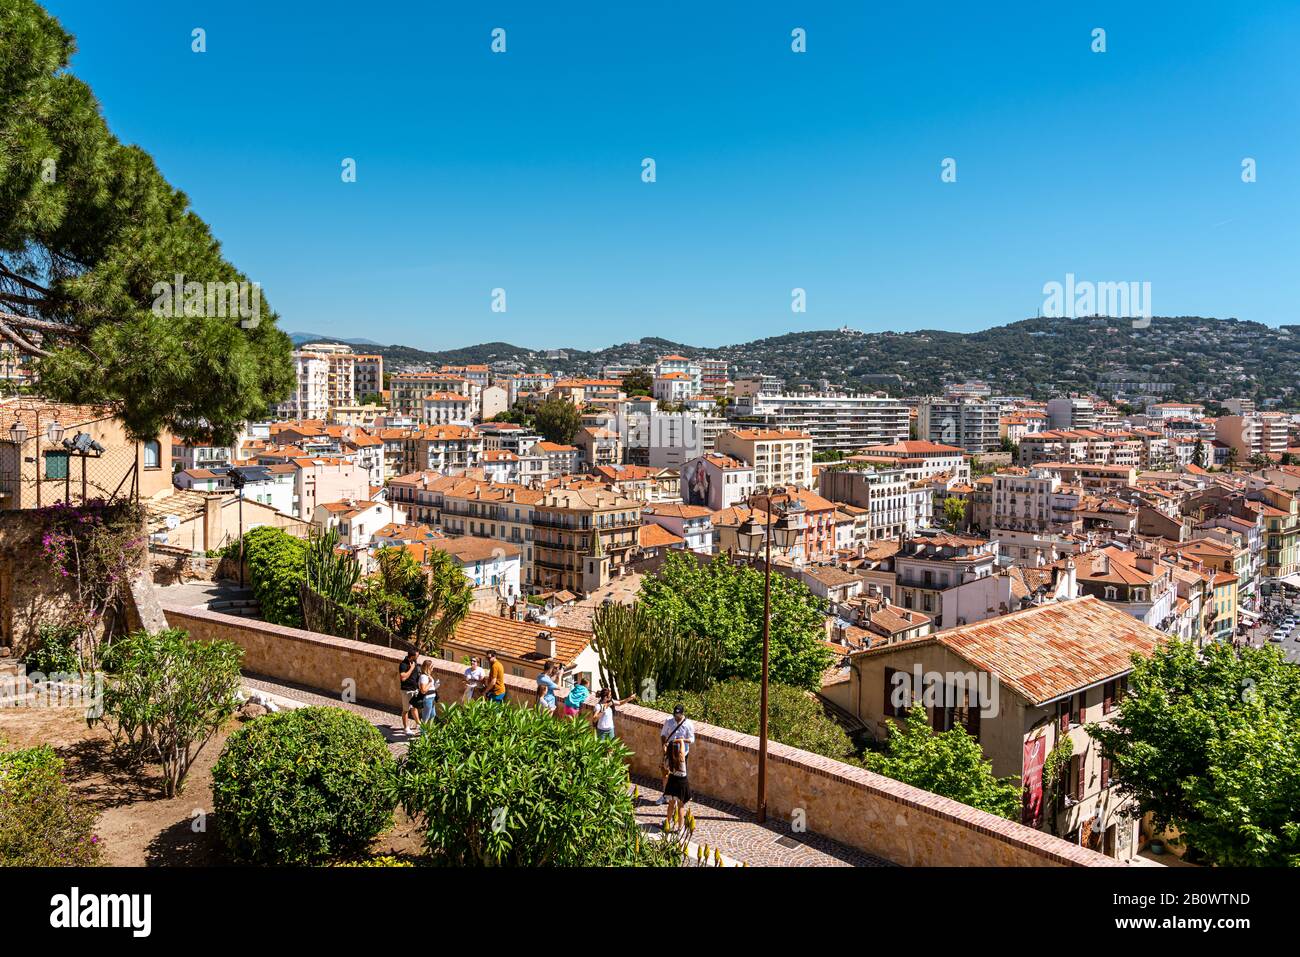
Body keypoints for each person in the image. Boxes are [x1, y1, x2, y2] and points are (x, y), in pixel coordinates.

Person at [657, 705, 695, 804]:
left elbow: (692, 739)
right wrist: (663, 747)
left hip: (682, 754)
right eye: (675, 714)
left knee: (680, 776)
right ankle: (665, 795)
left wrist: (681, 740)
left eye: (678, 715)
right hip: (669, 752)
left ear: (682, 714)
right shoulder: (669, 721)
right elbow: (663, 734)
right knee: (665, 773)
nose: (676, 717)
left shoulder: (688, 724)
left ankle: (679, 796)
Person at [664, 736, 691, 830]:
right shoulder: (681, 757)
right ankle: (680, 828)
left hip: (672, 781)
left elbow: (666, 749)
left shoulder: (667, 758)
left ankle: (667, 823)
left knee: (671, 804)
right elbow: (682, 745)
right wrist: (681, 740)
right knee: (681, 807)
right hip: (681, 783)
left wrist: (668, 746)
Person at [399, 650, 420, 734]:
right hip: (406, 690)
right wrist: (411, 669)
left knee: (414, 708)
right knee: (406, 710)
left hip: (414, 689)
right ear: (412, 656)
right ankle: (406, 728)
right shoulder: (403, 664)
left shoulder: (415, 662)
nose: (418, 657)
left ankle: (418, 724)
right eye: (417, 655)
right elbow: (403, 677)